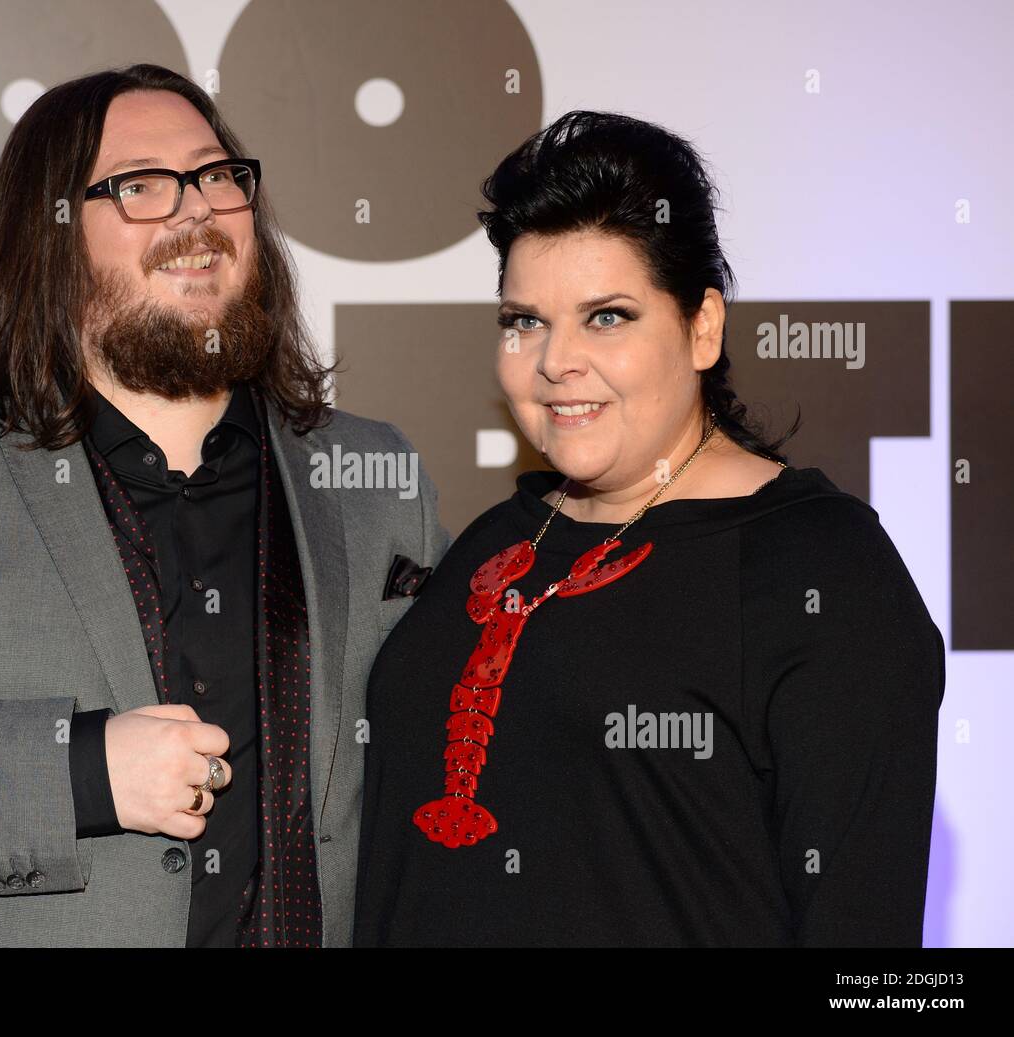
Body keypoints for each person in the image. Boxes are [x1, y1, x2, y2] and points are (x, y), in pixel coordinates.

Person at [0, 63, 448, 948]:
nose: (196, 212)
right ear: (53, 235)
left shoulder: (372, 472)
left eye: (218, 176)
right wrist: (75, 771)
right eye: (141, 186)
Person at [353, 111, 945, 947]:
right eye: (524, 320)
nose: (557, 360)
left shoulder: (820, 567)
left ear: (702, 327)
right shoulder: (493, 541)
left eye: (607, 316)